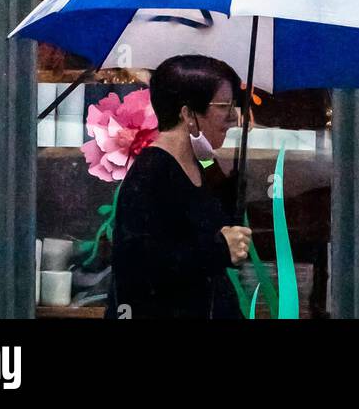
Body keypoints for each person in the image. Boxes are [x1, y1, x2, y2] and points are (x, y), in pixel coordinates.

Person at [105, 56, 252, 319]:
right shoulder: (151, 174)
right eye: (224, 107)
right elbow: (138, 267)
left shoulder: (202, 164)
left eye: (234, 107)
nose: (233, 118)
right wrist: (219, 249)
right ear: (187, 114)